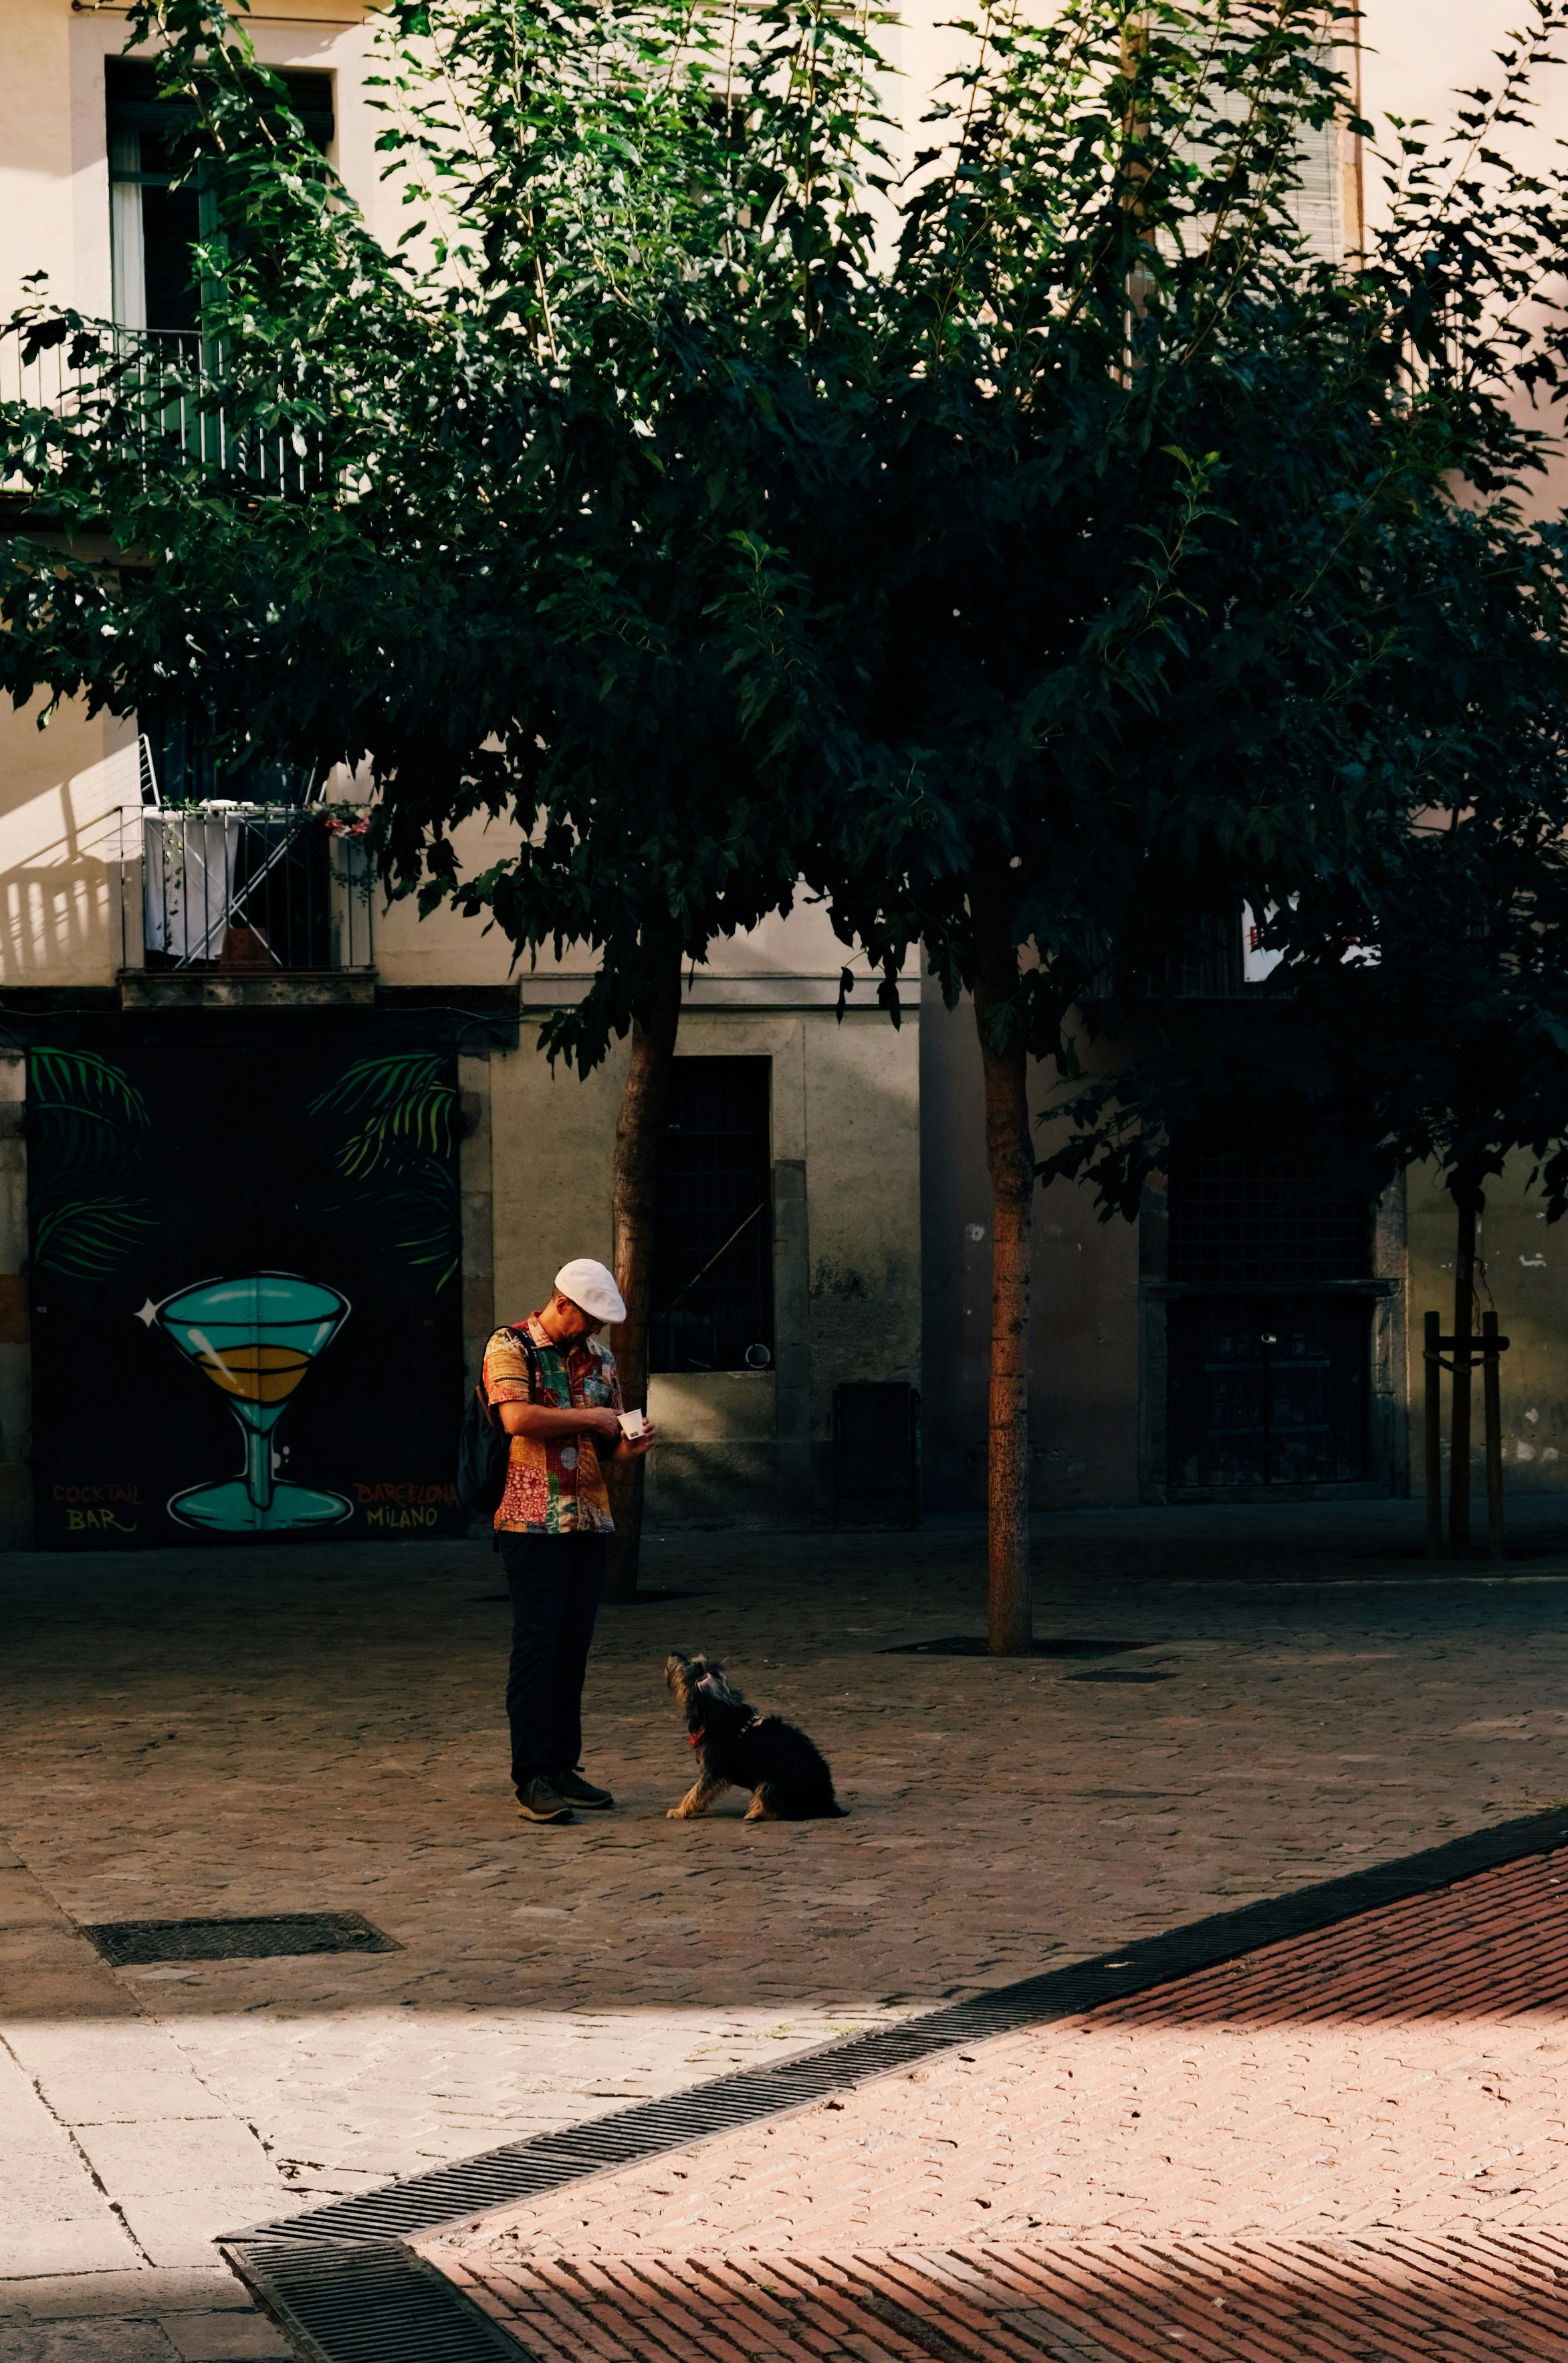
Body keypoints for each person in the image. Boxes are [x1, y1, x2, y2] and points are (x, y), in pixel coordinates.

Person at [483, 1258, 657, 1823]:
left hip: (587, 1518)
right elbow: (515, 1419)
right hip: (531, 1521)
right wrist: (594, 1420)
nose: (594, 1333)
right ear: (562, 1303)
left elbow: (609, 1446)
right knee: (536, 1649)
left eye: (601, 1325)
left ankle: (561, 1766)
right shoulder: (509, 1346)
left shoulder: (601, 1361)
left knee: (571, 1650)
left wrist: (628, 1444)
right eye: (589, 1320)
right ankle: (530, 1775)